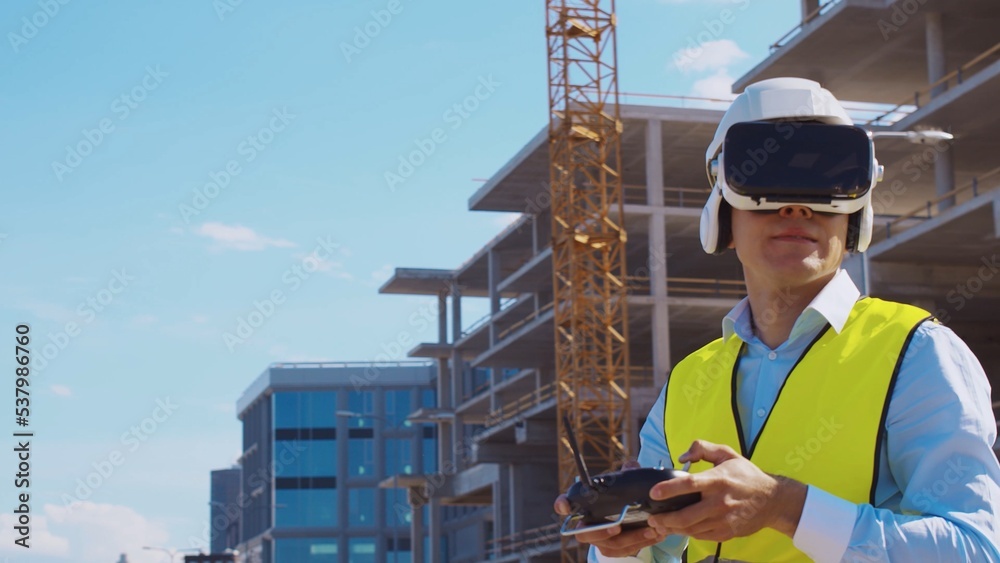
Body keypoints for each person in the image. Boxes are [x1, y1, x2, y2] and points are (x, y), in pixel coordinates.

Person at [554, 77, 1000, 562]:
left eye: (824, 182)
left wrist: (786, 508)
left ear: (855, 214)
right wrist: (621, 547)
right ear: (722, 211)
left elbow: (975, 549)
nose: (795, 207)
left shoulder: (917, 353)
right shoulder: (688, 382)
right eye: (766, 178)